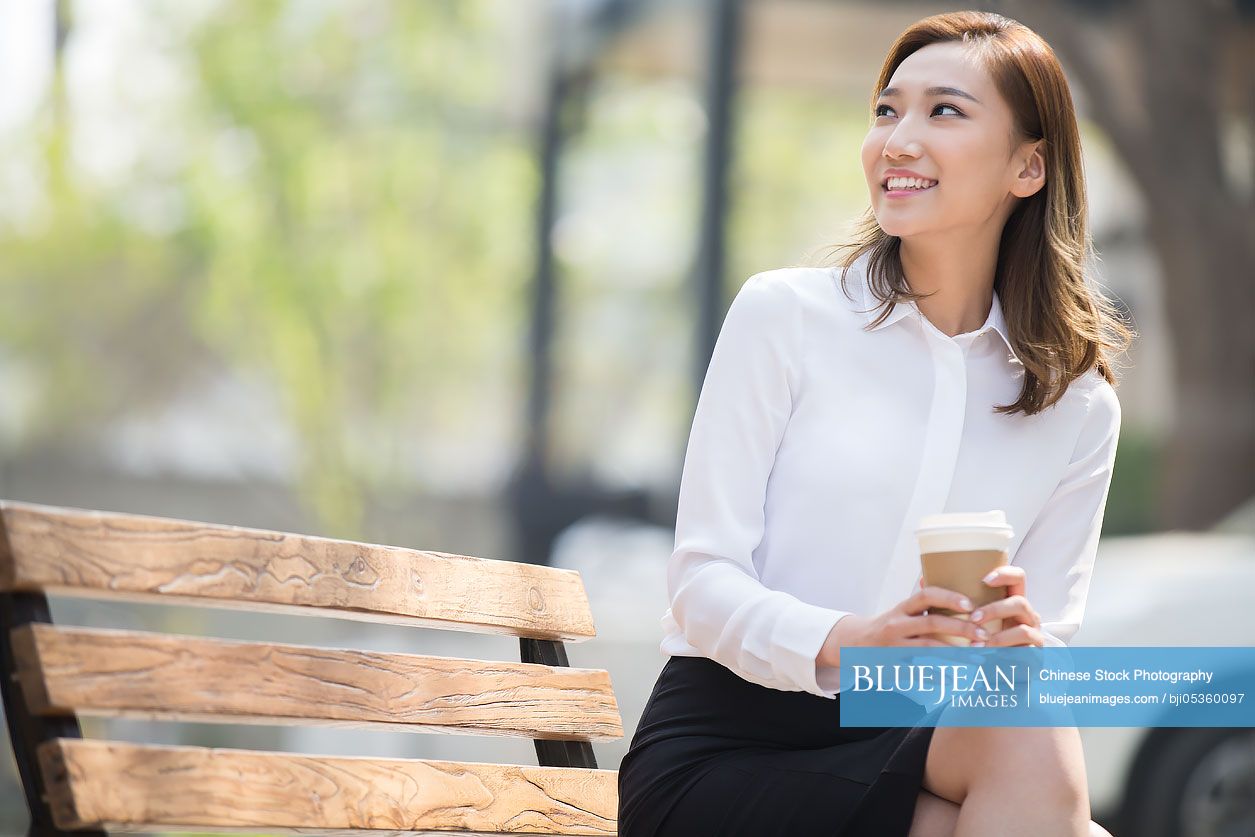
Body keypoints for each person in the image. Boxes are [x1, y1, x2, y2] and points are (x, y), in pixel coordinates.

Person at [616, 10, 1136, 837]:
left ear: (1027, 166)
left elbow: (1039, 646)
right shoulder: (784, 317)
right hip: (725, 744)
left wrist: (1015, 644)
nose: (897, 140)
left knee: (1027, 724)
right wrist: (851, 641)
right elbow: (701, 582)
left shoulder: (1074, 406)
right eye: (886, 111)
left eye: (944, 111)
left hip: (916, 732)